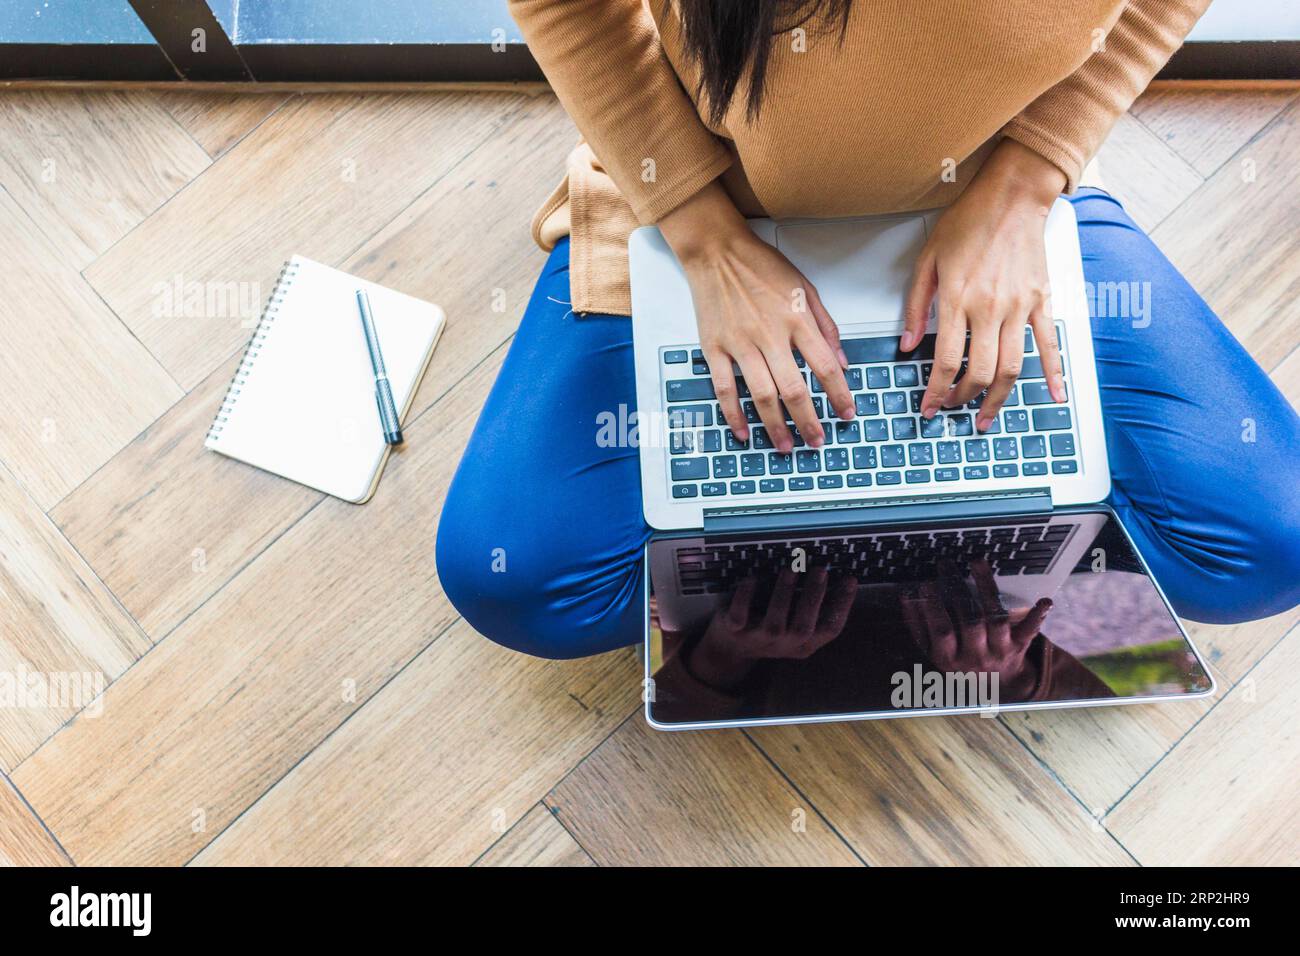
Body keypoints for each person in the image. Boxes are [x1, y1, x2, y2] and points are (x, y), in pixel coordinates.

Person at [437, 0, 1300, 659]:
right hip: (701, 202)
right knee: (513, 575)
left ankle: (872, 568)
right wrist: (701, 238)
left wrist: (1029, 179)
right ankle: (936, 560)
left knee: (1273, 544)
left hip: (991, 204)